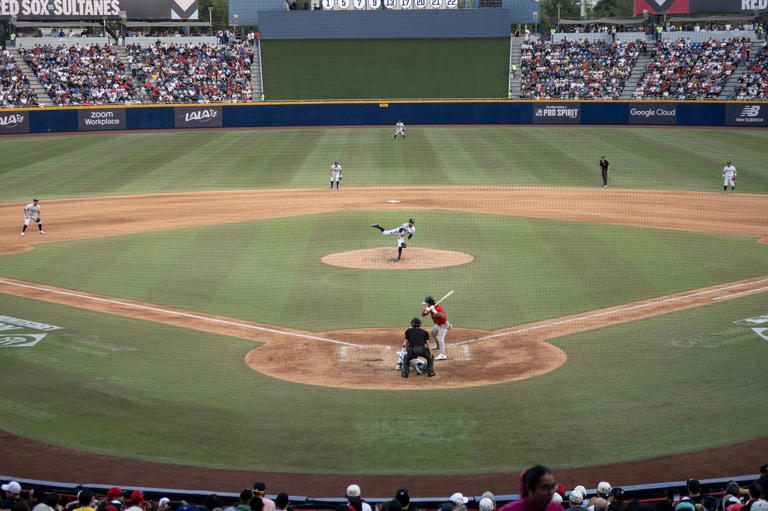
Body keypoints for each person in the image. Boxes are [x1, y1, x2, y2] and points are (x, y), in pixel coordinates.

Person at [498, 465, 563, 511]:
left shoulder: (556, 508)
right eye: (544, 488)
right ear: (529, 488)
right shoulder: (509, 510)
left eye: (552, 487)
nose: (550, 492)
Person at [422, 295, 451, 360]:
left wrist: (434, 311)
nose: (426, 303)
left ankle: (443, 354)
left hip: (443, 325)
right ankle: (438, 345)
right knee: (433, 333)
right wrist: (426, 311)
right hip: (437, 325)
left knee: (440, 337)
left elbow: (442, 316)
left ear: (429, 302)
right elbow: (423, 314)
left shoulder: (438, 308)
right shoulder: (429, 307)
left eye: (427, 302)